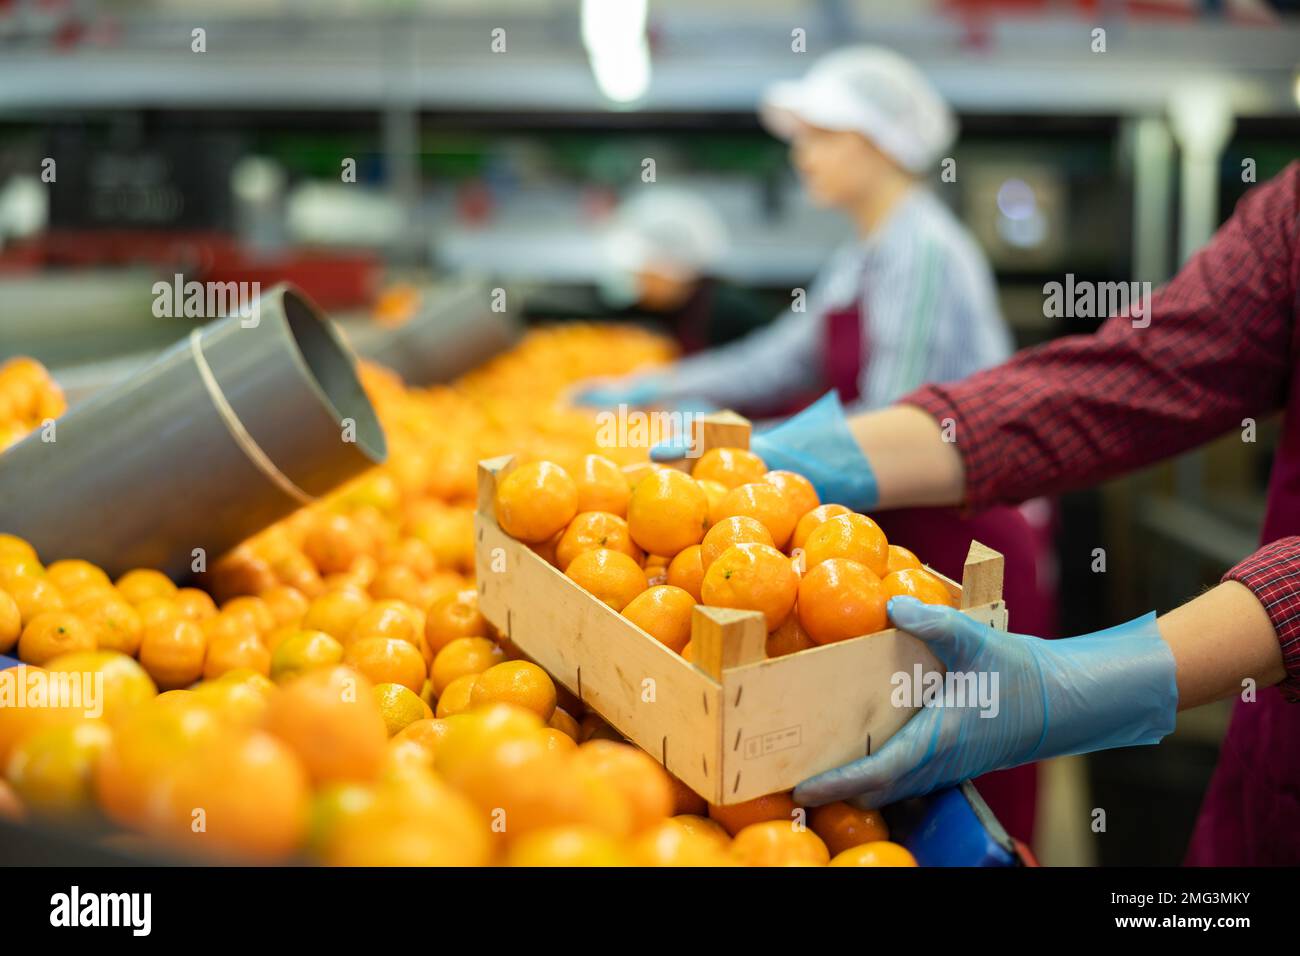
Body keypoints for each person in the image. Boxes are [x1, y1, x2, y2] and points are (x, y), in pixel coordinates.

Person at [658, 162, 1300, 866]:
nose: (801, 150)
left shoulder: (926, 247)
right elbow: (1140, 372)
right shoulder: (1291, 209)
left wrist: (1092, 682)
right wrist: (834, 454)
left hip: (957, 543)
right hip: (1270, 748)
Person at [576, 46, 1013, 418]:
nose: (801, 157)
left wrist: (758, 444)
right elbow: (777, 362)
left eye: (820, 136)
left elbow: (899, 418)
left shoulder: (922, 250)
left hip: (959, 513)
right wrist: (659, 387)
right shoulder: (859, 258)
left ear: (880, 142)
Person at [598, 189, 771, 353]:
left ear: (674, 271)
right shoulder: (634, 312)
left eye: (645, 273)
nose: (638, 281)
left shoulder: (732, 311)